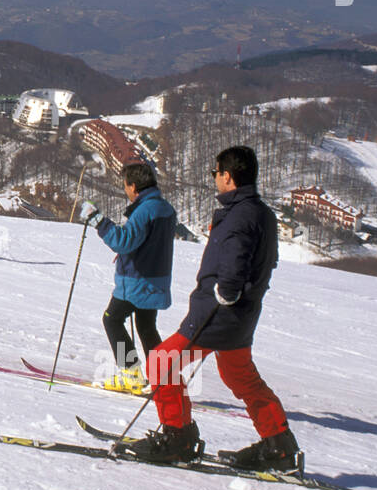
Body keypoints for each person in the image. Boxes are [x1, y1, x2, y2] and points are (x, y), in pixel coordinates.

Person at [120, 145, 298, 470]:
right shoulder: (261, 213)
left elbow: (235, 261)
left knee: (161, 362)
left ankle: (178, 438)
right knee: (240, 376)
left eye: (215, 173)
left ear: (227, 176)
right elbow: (266, 262)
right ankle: (279, 445)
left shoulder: (239, 216)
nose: (214, 179)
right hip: (241, 316)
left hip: (217, 313)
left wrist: (226, 293)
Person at [79, 162, 176, 394]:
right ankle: (164, 378)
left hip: (137, 280)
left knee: (112, 320)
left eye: (126, 186)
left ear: (134, 186)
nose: (125, 190)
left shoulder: (145, 210)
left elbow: (123, 241)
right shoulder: (165, 208)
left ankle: (131, 374)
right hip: (156, 279)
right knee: (146, 326)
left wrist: (98, 221)